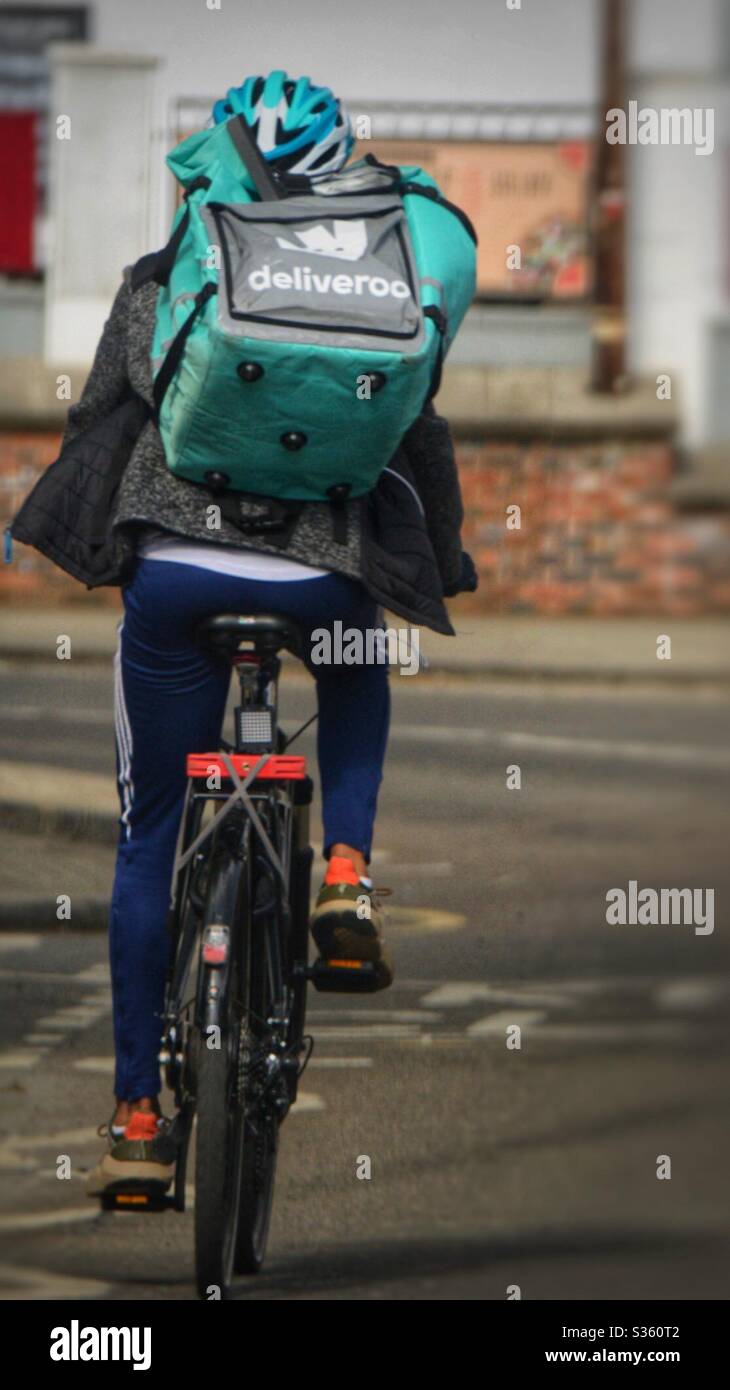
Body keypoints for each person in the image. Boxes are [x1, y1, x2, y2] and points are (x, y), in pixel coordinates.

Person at [30, 72, 475, 1195]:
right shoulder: (384, 267)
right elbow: (413, 426)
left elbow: (108, 409)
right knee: (356, 655)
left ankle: (136, 1116)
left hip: (179, 577)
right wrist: (437, 560)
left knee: (148, 835)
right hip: (321, 577)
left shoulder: (183, 261)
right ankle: (344, 873)